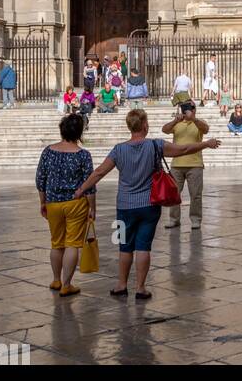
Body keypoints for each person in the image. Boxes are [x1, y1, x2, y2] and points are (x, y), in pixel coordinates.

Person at [73, 108, 220, 299]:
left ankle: (121, 284)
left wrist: (81, 189)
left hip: (124, 207)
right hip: (149, 206)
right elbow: (183, 149)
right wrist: (206, 144)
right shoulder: (155, 146)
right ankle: (141, 287)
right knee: (143, 247)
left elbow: (100, 172)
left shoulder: (118, 150)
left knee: (124, 246)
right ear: (144, 125)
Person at [35, 112, 96, 297]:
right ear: (79, 133)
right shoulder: (83, 155)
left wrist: (42, 202)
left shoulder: (48, 151)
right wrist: (93, 207)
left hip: (53, 202)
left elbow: (40, 179)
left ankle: (56, 279)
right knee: (72, 244)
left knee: (56, 243)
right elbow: (89, 184)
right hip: (76, 204)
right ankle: (67, 284)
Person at [161, 102, 210, 230]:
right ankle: (174, 219)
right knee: (174, 194)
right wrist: (174, 121)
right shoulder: (177, 123)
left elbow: (206, 129)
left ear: (194, 110)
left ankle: (195, 219)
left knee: (196, 194)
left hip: (195, 164)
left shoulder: (199, 122)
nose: (187, 111)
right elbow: (164, 130)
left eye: (190, 108)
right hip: (177, 164)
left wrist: (193, 119)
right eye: (185, 108)